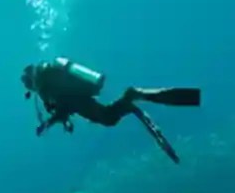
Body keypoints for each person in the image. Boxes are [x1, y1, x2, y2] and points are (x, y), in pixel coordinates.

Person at [21, 57, 201, 163]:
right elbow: (63, 110)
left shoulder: (44, 89)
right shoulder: (51, 82)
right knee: (108, 117)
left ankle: (131, 96)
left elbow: (61, 110)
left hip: (79, 101)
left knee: (108, 118)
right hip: (81, 98)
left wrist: (48, 124)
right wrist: (60, 121)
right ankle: (130, 100)